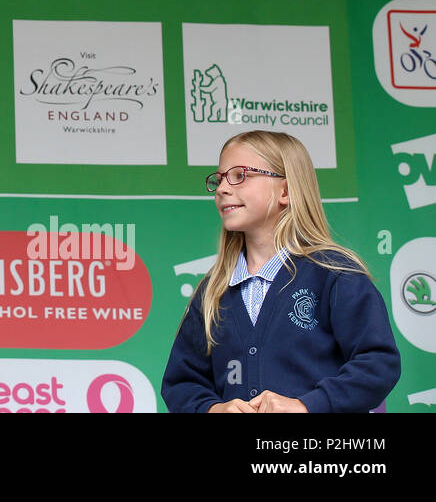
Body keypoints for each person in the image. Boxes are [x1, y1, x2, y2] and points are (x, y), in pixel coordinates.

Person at [161, 129, 400, 413]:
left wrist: (306, 406)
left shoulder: (335, 274)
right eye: (220, 178)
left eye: (240, 175)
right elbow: (181, 383)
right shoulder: (213, 290)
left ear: (285, 191)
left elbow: (377, 363)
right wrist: (213, 410)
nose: (223, 188)